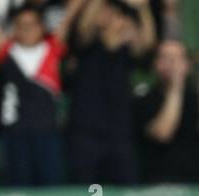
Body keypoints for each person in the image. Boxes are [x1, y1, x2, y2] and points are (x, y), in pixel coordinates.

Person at [0, 0, 88, 187]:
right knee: (18, 189)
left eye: (31, 25)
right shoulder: (8, 51)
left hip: (47, 134)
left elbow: (69, 16)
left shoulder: (51, 49)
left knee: (51, 190)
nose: (26, 30)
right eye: (21, 26)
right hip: (15, 135)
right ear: (14, 29)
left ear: (41, 27)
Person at [64, 0, 155, 185]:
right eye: (103, 11)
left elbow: (146, 43)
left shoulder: (125, 50)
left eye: (113, 12)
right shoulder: (86, 45)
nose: (108, 16)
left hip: (119, 132)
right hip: (86, 132)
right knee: (92, 194)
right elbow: (84, 27)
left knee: (125, 188)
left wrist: (143, 7)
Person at [133, 38, 199, 184]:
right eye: (166, 58)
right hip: (162, 180)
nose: (173, 64)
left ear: (187, 65)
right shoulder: (144, 99)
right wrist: (175, 89)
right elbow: (163, 133)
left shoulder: (197, 97)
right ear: (157, 64)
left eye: (177, 59)